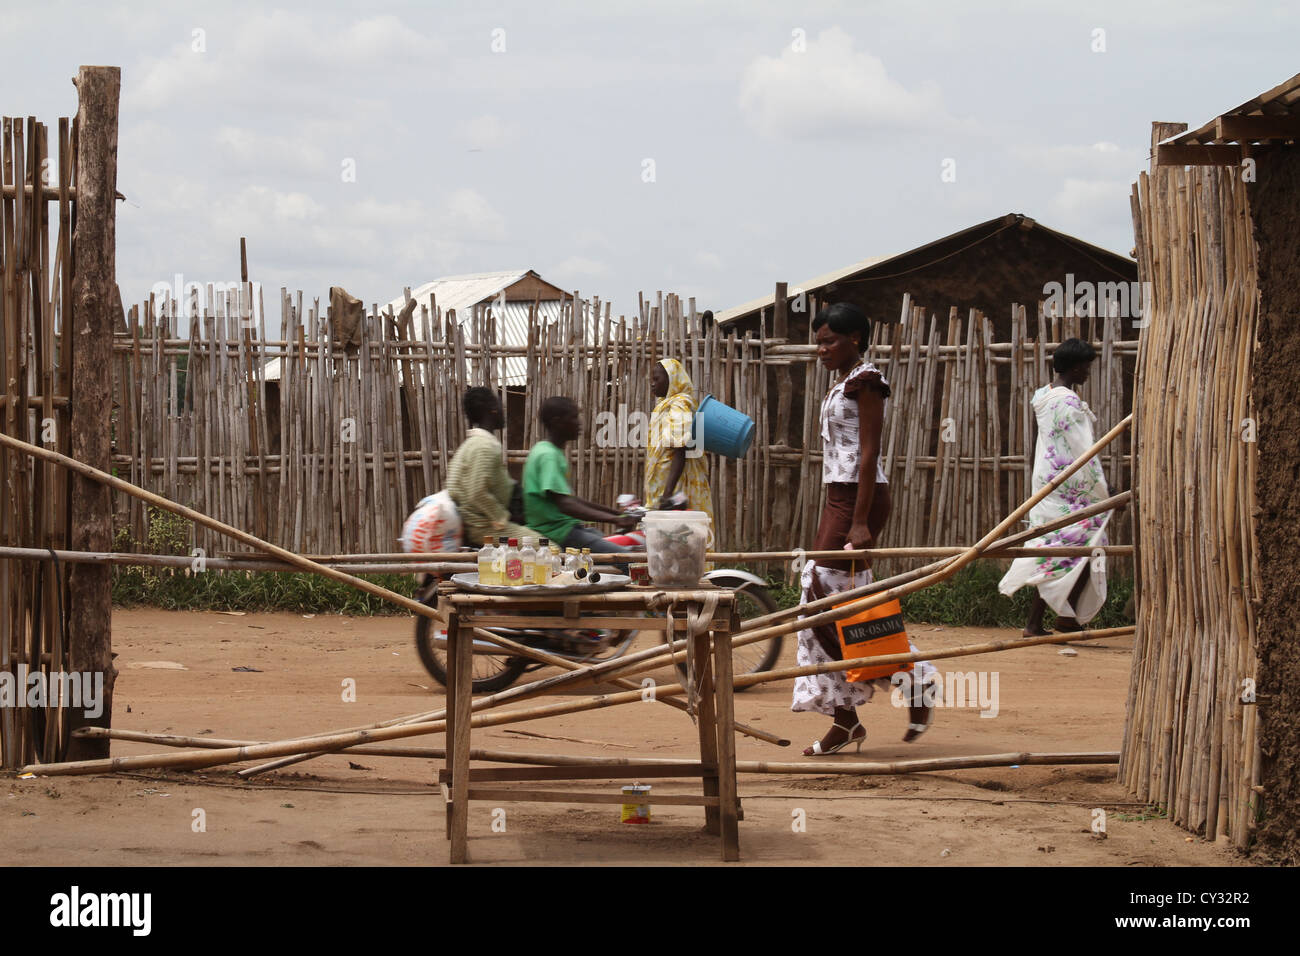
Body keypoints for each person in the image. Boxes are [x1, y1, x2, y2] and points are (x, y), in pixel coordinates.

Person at [792, 302, 938, 756]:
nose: (821, 349)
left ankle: (911, 677)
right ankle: (854, 715)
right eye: (818, 342)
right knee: (833, 606)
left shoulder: (867, 383)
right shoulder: (841, 384)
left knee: (820, 597)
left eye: (830, 341)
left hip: (860, 498)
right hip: (839, 496)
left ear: (855, 338)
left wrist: (858, 520)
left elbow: (871, 453)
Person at [999, 337, 1116, 635]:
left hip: (1047, 478)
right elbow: (1081, 449)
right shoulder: (1067, 401)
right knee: (1078, 544)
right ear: (1075, 368)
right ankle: (1038, 622)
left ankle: (1065, 617)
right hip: (1069, 484)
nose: (1088, 373)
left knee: (1062, 546)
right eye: (1086, 367)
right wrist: (1103, 488)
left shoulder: (1043, 395)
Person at [523, 396, 638, 554]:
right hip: (557, 533)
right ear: (557, 422)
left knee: (613, 542)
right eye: (573, 417)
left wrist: (618, 514)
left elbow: (572, 500)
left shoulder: (546, 450)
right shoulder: (548, 456)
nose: (579, 423)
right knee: (627, 559)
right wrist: (615, 519)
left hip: (566, 529)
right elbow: (566, 505)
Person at [445, 387, 536, 547]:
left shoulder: (468, 445)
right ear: (492, 409)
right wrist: (501, 517)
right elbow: (476, 492)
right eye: (500, 406)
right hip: (486, 528)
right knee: (547, 548)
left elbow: (452, 486)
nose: (503, 411)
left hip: (477, 524)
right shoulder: (484, 446)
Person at [645, 358, 715, 545]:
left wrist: (668, 493)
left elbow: (680, 449)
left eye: (657, 378)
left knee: (679, 540)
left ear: (673, 380)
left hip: (677, 485)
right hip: (667, 482)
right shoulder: (665, 405)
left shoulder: (679, 405)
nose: (652, 383)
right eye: (651, 379)